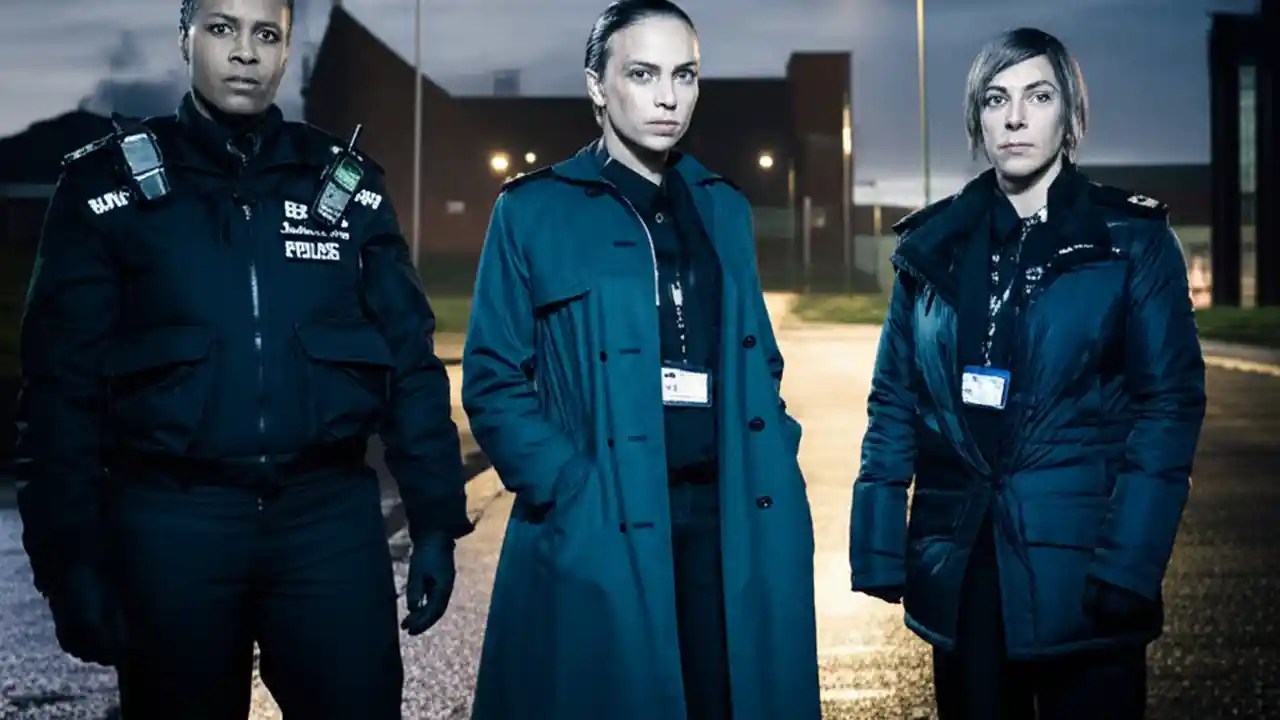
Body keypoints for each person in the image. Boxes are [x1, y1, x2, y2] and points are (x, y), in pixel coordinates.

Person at [14, 0, 470, 716]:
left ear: (286, 53)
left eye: (266, 34)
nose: (245, 52)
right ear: (185, 38)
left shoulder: (345, 189)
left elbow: (409, 366)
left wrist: (437, 521)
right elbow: (57, 393)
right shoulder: (104, 189)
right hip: (172, 525)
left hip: (325, 526)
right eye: (222, 29)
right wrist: (67, 565)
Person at [461, 1, 820, 718]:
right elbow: (494, 378)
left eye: (685, 75)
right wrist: (567, 487)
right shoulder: (532, 211)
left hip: (725, 516)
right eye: (643, 73)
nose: (668, 96)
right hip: (603, 514)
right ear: (597, 85)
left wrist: (777, 451)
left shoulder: (725, 208)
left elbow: (760, 363)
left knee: (728, 696)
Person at [848, 28, 1206, 719]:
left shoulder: (1131, 242)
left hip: (1087, 569)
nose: (1014, 117)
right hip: (965, 571)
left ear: (1069, 114)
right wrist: (879, 543)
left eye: (1037, 96)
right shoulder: (931, 249)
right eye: (995, 98)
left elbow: (1170, 406)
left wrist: (1130, 564)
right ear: (977, 120)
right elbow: (894, 400)